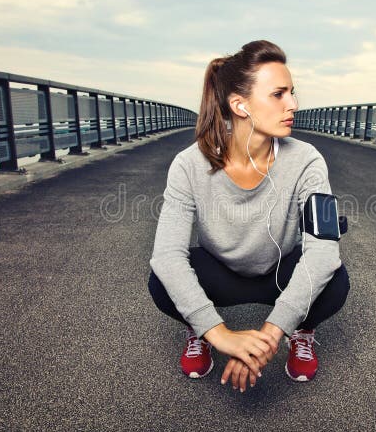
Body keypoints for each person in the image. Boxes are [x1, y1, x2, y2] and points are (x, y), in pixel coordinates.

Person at [147, 40, 350, 393]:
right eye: (278, 94)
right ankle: (200, 332)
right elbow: (166, 254)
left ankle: (301, 331)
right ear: (240, 105)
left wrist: (268, 337)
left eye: (292, 93)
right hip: (221, 271)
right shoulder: (188, 164)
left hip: (279, 271)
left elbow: (323, 252)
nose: (293, 104)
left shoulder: (308, 160)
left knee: (334, 281)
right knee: (162, 280)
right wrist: (221, 334)